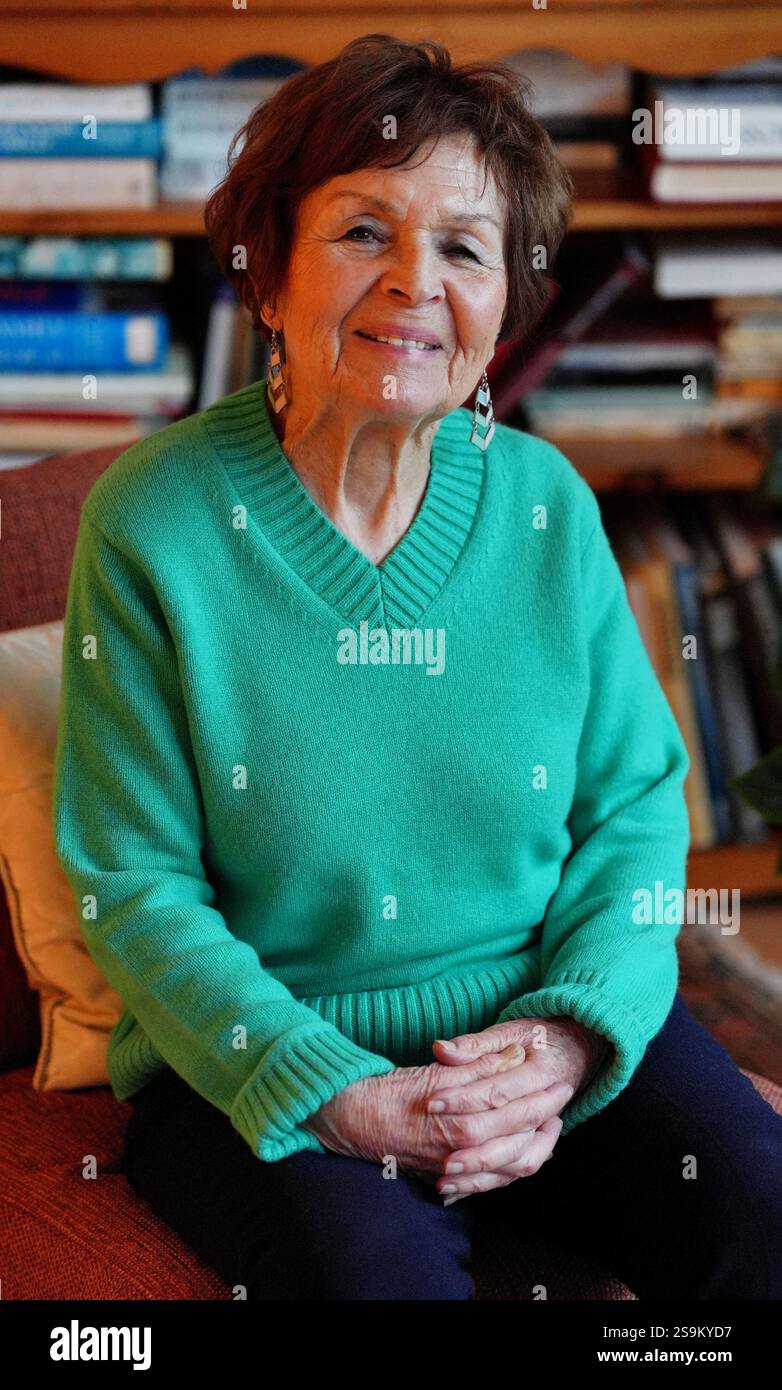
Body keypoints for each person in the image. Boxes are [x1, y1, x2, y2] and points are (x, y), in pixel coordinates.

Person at [51, 33, 782, 1300]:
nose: (415, 283)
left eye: (461, 246)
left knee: (763, 1212)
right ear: (268, 275)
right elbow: (135, 881)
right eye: (359, 233)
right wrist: (342, 1094)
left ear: (504, 303)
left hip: (537, 1024)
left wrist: (564, 1037)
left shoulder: (544, 505)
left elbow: (631, 809)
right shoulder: (154, 522)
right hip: (264, 1065)